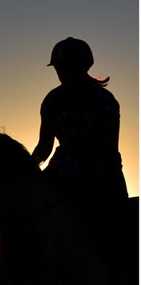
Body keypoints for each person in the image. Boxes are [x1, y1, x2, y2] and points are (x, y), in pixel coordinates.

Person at [32, 37, 128, 222]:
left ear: (83, 66)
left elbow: (108, 151)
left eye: (66, 67)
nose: (62, 73)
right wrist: (27, 168)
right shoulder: (52, 100)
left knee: (118, 228)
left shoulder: (104, 100)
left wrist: (88, 185)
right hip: (60, 173)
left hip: (102, 178)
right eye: (59, 68)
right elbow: (44, 147)